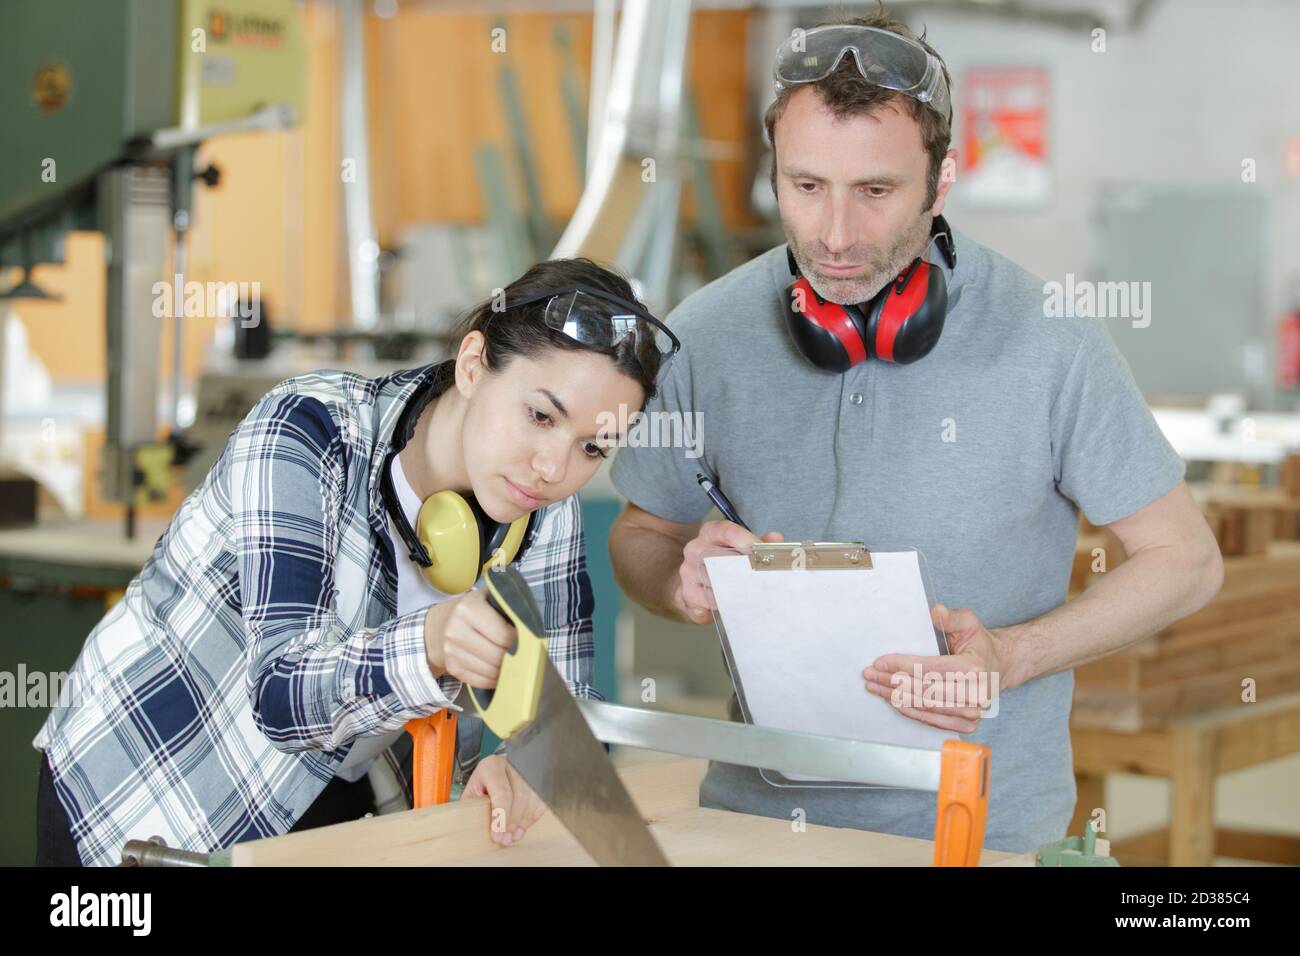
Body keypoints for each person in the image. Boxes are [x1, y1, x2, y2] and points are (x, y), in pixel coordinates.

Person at [606, 8, 1223, 852]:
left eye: (876, 192)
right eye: (806, 185)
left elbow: (1184, 559)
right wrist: (678, 579)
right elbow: (643, 532)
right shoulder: (705, 335)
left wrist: (1011, 653)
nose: (834, 235)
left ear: (941, 181)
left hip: (982, 834)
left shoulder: (1051, 339)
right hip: (755, 832)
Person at [34, 257, 677, 866]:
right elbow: (281, 693)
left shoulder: (541, 499)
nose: (554, 467)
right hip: (153, 788)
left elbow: (568, 701)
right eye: (539, 415)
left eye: (594, 448)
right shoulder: (309, 431)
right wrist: (429, 644)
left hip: (335, 800)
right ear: (474, 365)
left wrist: (531, 763)